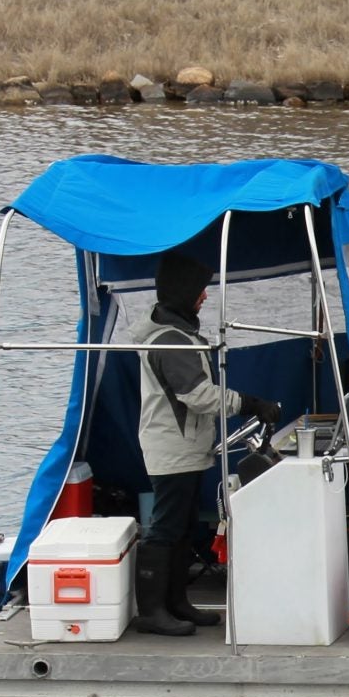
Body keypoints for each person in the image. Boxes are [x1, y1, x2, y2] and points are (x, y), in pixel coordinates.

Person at [134, 251, 282, 637]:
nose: (204, 297)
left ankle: (177, 602)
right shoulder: (171, 341)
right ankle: (152, 612)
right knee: (166, 527)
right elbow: (198, 395)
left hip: (184, 447)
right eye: (200, 290)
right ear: (184, 292)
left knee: (182, 527)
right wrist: (248, 403)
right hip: (171, 449)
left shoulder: (179, 335)